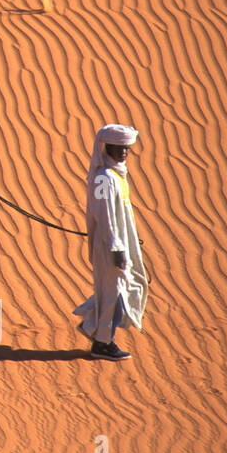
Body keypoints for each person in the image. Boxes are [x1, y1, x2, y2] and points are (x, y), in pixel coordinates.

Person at [73, 124, 148, 360]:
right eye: (119, 148)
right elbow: (105, 217)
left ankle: (94, 328)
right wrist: (117, 247)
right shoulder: (104, 179)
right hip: (110, 246)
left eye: (126, 148)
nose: (124, 152)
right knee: (114, 292)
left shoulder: (115, 175)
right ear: (107, 148)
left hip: (120, 243)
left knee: (118, 289)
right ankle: (103, 343)